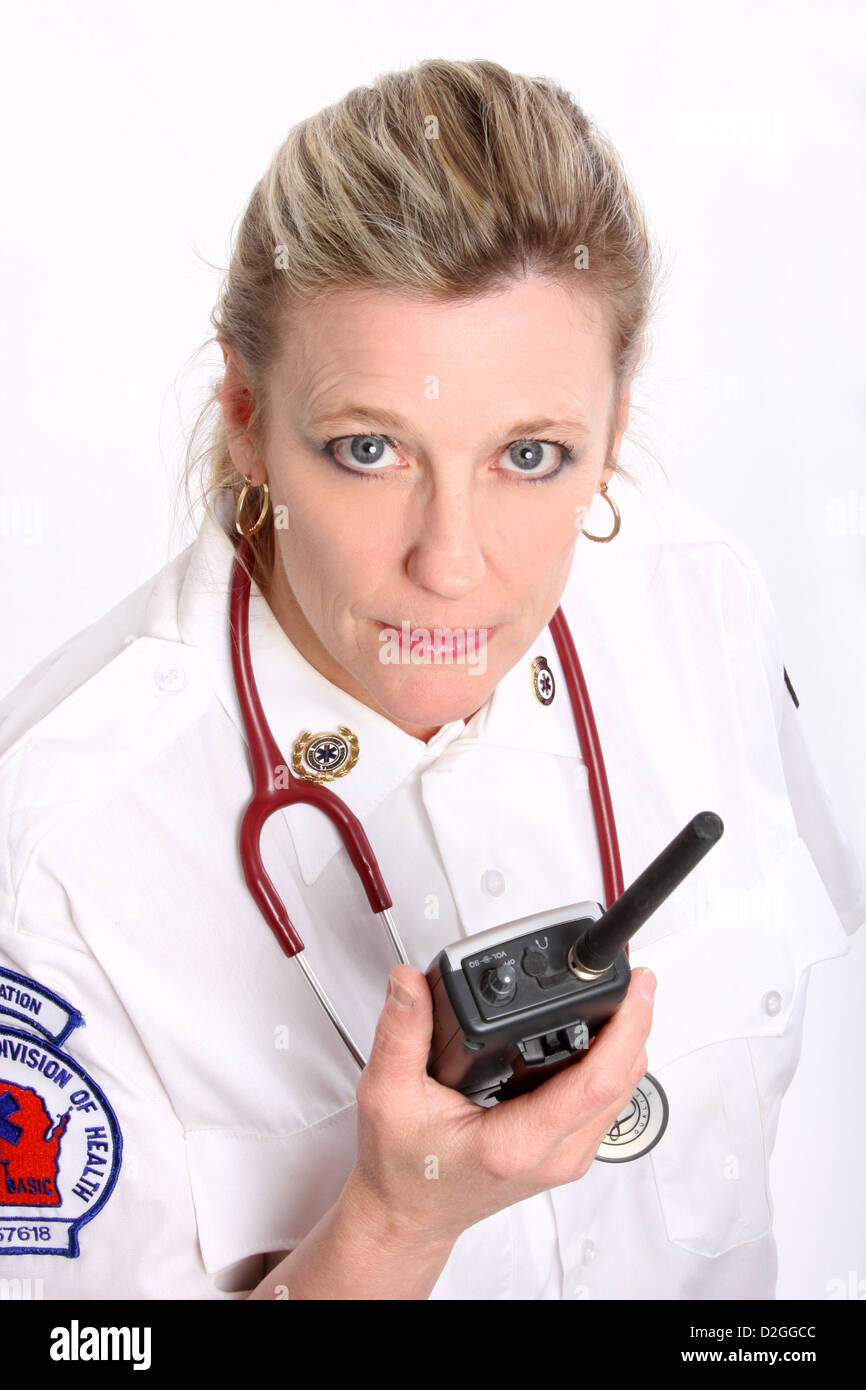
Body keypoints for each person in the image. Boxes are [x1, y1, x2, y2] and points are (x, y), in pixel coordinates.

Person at [0, 58, 863, 1302]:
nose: (449, 566)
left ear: (613, 429)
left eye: (530, 453)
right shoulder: (62, 853)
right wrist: (393, 1228)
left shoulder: (701, 603)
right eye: (368, 449)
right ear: (245, 412)